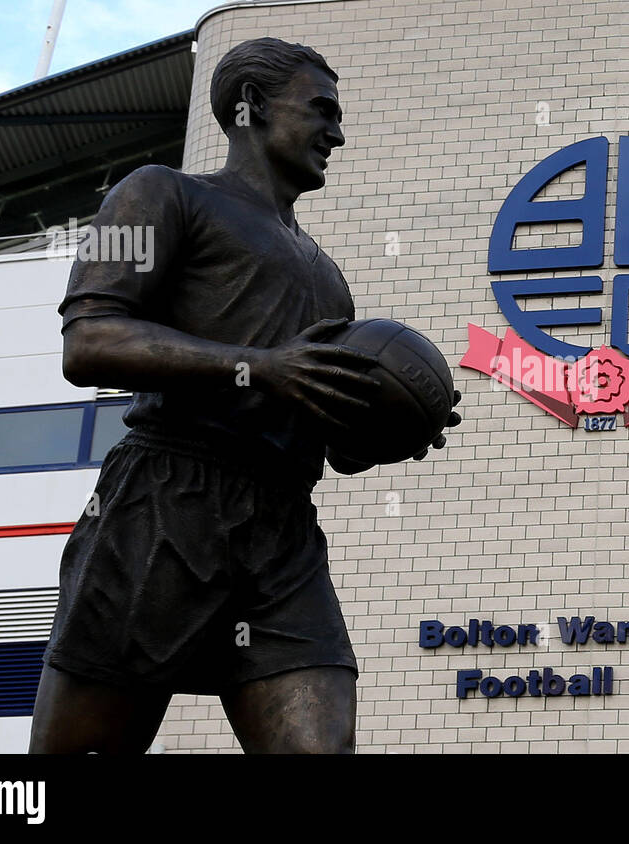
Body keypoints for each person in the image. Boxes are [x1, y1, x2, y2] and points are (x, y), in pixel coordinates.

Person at [28, 37, 459, 754]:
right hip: (165, 502)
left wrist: (390, 428)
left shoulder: (330, 278)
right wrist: (259, 367)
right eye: (321, 110)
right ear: (249, 106)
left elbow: (328, 437)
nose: (338, 133)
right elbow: (88, 343)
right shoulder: (159, 191)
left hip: (282, 527)